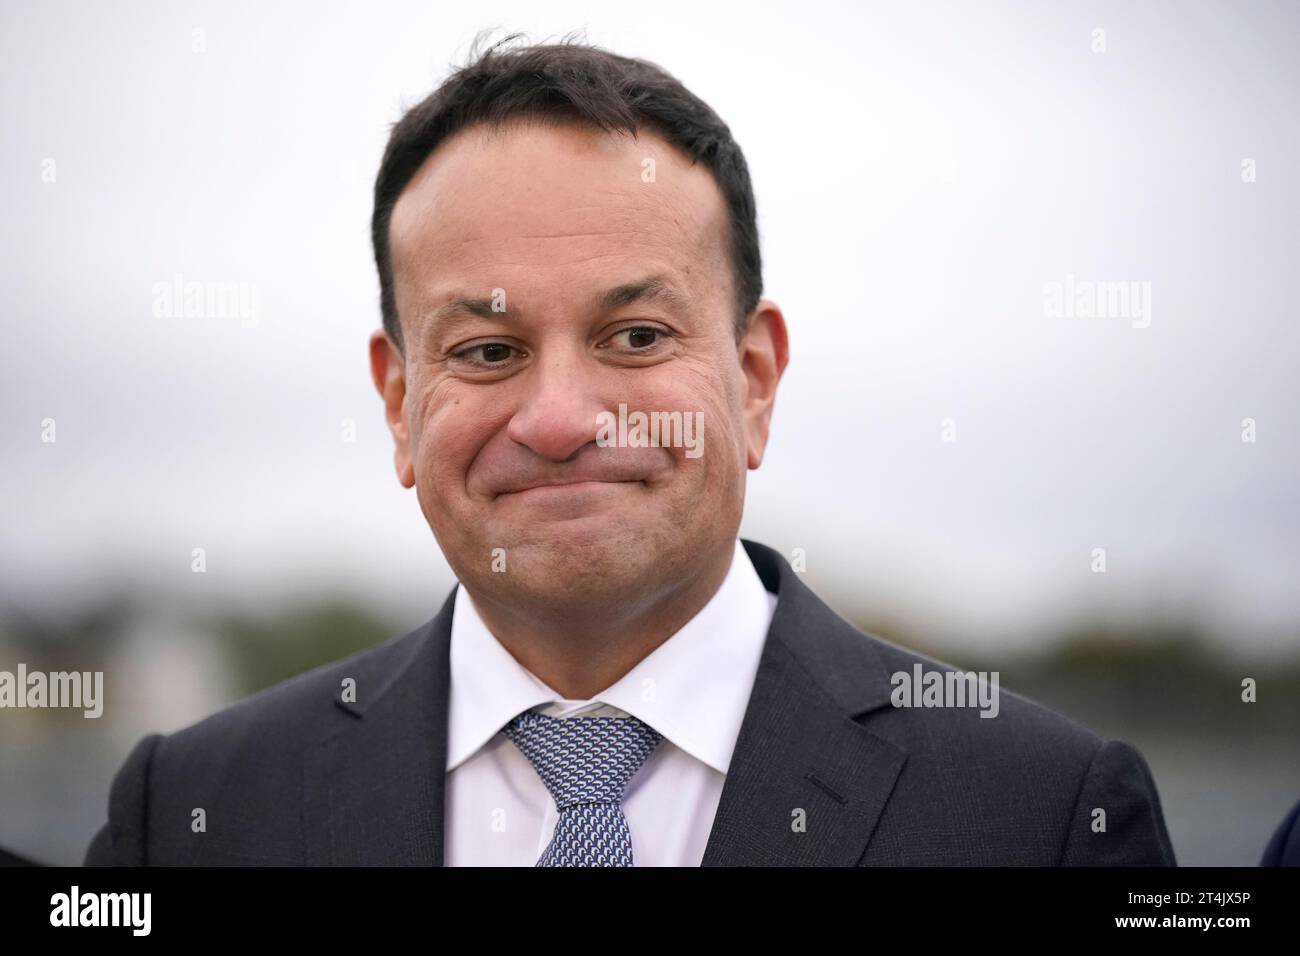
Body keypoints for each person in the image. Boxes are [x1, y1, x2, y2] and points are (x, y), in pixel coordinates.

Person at [85, 35, 1175, 867]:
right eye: (491, 347)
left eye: (637, 335)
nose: (561, 416)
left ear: (752, 380)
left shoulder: (1045, 817)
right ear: (398, 398)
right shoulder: (195, 813)